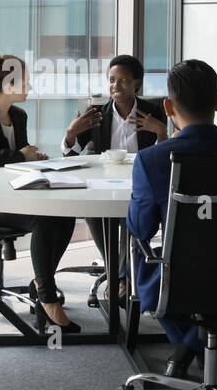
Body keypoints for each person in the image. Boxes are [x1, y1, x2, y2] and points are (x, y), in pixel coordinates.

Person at [126, 59, 217, 378]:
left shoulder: (152, 160)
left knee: (135, 254)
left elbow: (140, 228)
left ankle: (189, 348)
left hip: (182, 278)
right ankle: (199, 350)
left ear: (167, 105)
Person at [0, 51, 80, 333]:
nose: (30, 86)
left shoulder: (19, 116)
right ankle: (48, 298)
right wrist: (20, 155)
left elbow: (18, 160)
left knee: (65, 214)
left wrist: (34, 159)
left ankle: (41, 283)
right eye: (25, 81)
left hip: (15, 195)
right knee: (43, 219)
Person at [62, 54, 167, 284]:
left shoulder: (153, 111)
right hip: (106, 185)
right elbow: (70, 156)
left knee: (133, 214)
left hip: (140, 185)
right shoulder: (98, 113)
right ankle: (118, 274)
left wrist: (160, 132)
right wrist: (71, 134)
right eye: (111, 80)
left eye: (123, 80)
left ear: (136, 84)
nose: (115, 85)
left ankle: (118, 277)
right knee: (94, 211)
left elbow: (162, 160)